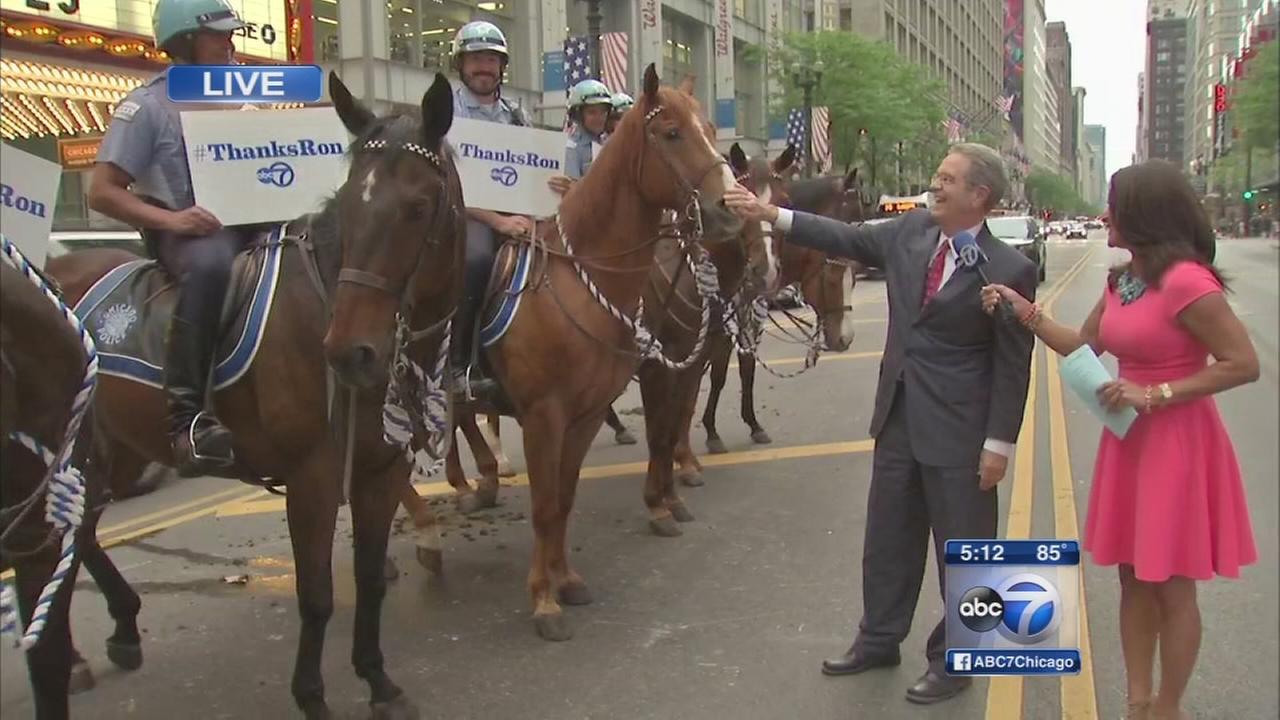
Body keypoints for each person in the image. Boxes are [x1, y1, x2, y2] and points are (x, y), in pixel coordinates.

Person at [724, 143, 1037, 705]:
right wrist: (771, 214)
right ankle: (879, 638)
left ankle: (959, 658)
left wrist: (999, 442)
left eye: (947, 179)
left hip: (962, 434)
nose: (935, 186)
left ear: (979, 196)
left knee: (968, 550)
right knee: (888, 539)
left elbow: (1013, 364)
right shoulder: (908, 233)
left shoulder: (1012, 269)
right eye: (936, 176)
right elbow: (841, 237)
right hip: (897, 419)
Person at [982, 160, 1259, 720]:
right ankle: (1138, 701)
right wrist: (1024, 312)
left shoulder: (1186, 281)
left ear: (1142, 214)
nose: (1105, 214)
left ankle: (1169, 707)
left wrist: (1154, 393)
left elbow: (1242, 364)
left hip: (1178, 444)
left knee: (1173, 587)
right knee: (1133, 578)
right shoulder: (1122, 280)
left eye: (1115, 204)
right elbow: (1084, 345)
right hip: (1129, 444)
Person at [88, 0, 255, 478]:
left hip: (250, 218)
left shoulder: (242, 97)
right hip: (185, 230)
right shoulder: (145, 107)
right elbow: (101, 192)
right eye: (218, 35)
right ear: (183, 42)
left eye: (230, 34)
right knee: (211, 267)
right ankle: (188, 419)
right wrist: (175, 222)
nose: (230, 42)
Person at [449, 20, 533, 400]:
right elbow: (447, 182)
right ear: (461, 65)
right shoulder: (446, 110)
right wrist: (498, 220)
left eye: (491, 59)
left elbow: (533, 171)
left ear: (502, 67)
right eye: (476, 59)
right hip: (468, 215)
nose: (484, 67)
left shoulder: (517, 115)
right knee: (478, 260)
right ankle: (461, 364)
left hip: (517, 217)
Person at [548, 79, 613, 196]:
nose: (600, 117)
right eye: (592, 112)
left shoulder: (609, 144)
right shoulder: (570, 148)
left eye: (603, 112)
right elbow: (571, 193)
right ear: (577, 114)